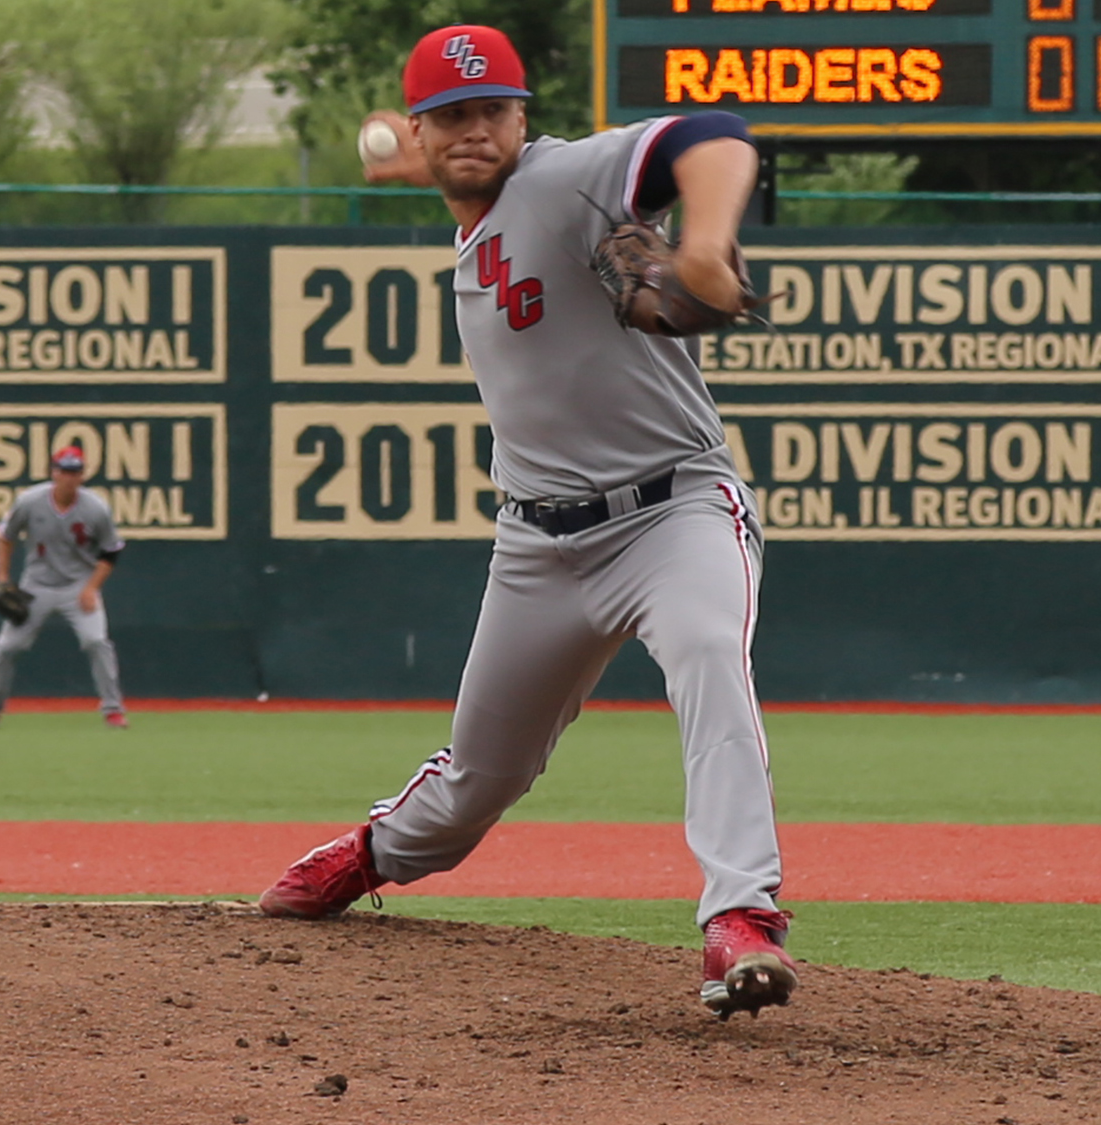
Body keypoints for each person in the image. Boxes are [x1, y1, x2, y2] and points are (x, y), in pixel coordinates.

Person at [258, 24, 794, 1018]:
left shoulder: (558, 181)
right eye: (450, 116)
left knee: (707, 651)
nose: (475, 131)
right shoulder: (476, 227)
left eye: (492, 110)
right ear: (421, 136)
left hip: (670, 509)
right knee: (477, 779)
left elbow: (712, 133)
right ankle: (373, 851)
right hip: (538, 547)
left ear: (521, 118)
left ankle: (741, 917)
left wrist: (709, 244)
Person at [0, 444, 129, 729]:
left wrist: (92, 587)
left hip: (79, 585)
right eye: (64, 470)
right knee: (7, 647)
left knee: (96, 642)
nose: (69, 477)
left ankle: (113, 711)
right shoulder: (30, 501)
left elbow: (111, 551)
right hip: (37, 586)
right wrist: (3, 579)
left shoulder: (95, 508)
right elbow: (5, 536)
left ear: (83, 475)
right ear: (53, 473)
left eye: (75, 471)